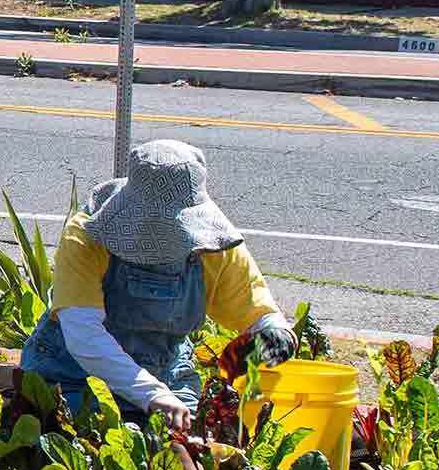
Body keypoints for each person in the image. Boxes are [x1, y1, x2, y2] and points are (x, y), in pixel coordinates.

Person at [16, 140, 294, 429]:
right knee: (78, 440)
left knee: (186, 452)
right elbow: (84, 337)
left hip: (168, 379)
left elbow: (259, 315)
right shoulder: (86, 236)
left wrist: (271, 337)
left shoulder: (215, 250)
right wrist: (153, 395)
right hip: (71, 377)